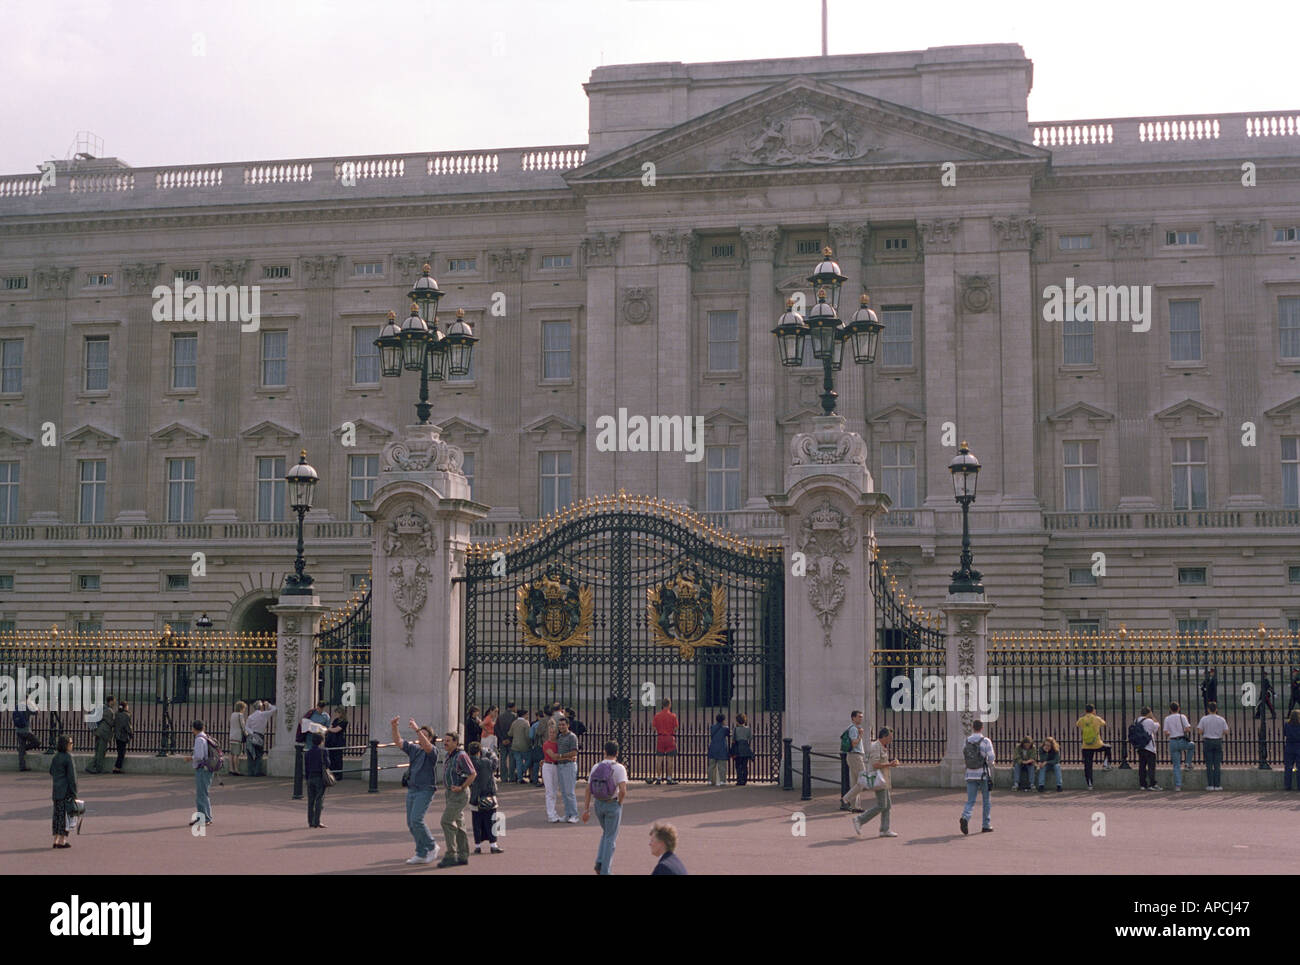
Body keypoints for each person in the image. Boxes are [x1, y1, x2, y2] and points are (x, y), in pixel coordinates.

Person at [391, 716, 440, 865]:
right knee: (411, 823)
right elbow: (399, 742)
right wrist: (394, 727)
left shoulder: (433, 751)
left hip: (426, 789)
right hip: (412, 789)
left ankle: (432, 846)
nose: (421, 737)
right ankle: (421, 852)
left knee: (416, 820)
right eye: (420, 734)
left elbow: (426, 746)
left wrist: (417, 729)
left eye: (425, 735)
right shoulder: (414, 749)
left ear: (431, 738)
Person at [582, 740, 628, 874]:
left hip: (598, 804)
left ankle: (600, 861)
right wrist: (619, 802)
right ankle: (605, 870)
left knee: (606, 833)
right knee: (611, 838)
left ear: (604, 751)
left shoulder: (596, 766)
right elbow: (623, 790)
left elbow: (588, 789)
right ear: (617, 753)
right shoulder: (619, 768)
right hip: (612, 803)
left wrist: (586, 809)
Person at [850, 726, 899, 838]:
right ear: (884, 736)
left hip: (883, 779)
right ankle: (859, 819)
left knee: (887, 805)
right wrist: (890, 764)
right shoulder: (876, 746)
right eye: (890, 737)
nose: (891, 740)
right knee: (882, 805)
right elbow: (875, 764)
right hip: (878, 779)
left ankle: (884, 829)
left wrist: (890, 764)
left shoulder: (882, 746)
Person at [438, 731, 476, 868]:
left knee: (446, 821)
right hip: (450, 793)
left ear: (455, 742)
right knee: (459, 824)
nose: (445, 743)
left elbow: (473, 774)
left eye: (448, 740)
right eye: (444, 740)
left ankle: (451, 854)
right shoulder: (449, 755)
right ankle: (463, 854)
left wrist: (461, 787)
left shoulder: (461, 756)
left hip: (459, 794)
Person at [959, 718, 994, 835]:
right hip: (983, 774)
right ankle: (986, 824)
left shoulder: (967, 740)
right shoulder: (986, 741)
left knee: (971, 800)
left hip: (970, 773)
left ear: (973, 728)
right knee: (986, 800)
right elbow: (991, 758)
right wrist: (990, 764)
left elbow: (964, 755)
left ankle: (965, 816)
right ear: (982, 728)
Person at [467, 740, 503, 854]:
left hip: (475, 797)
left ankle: (477, 846)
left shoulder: (468, 763)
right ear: (479, 751)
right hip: (488, 796)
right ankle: (493, 845)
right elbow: (495, 763)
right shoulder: (486, 762)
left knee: (476, 822)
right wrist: (490, 752)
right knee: (492, 821)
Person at [1075, 703, 1112, 790]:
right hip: (1097, 744)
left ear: (1085, 711)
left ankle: (1089, 784)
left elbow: (1077, 724)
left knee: (1088, 765)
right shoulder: (1096, 719)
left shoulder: (1082, 719)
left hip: (1086, 746)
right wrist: (1094, 716)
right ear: (1093, 711)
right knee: (1108, 747)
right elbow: (1104, 723)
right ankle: (1106, 764)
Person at [185, 720, 215, 827]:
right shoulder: (206, 737)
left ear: (194, 729)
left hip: (202, 769)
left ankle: (204, 818)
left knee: (201, 795)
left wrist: (190, 758)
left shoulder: (199, 740)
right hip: (208, 769)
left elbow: (199, 756)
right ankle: (205, 817)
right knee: (203, 794)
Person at [50, 734, 77, 849]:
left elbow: (51, 771)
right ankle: (62, 840)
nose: (72, 745)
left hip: (56, 790)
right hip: (66, 791)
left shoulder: (56, 757)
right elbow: (72, 778)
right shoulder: (68, 757)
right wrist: (74, 793)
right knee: (65, 817)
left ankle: (55, 839)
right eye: (70, 743)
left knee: (57, 815)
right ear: (65, 745)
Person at [839, 709, 869, 811]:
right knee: (863, 781)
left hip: (853, 756)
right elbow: (854, 743)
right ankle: (845, 799)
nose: (861, 718)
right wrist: (860, 735)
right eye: (859, 716)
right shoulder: (854, 729)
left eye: (861, 716)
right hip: (855, 756)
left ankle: (855, 806)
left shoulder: (854, 728)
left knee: (855, 782)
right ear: (853, 718)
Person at [1162, 701, 1195, 791]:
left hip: (1173, 741)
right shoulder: (1182, 716)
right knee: (1192, 746)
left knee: (1176, 765)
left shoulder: (1167, 718)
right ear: (1178, 708)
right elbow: (1188, 729)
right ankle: (1187, 763)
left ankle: (1178, 786)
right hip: (1181, 740)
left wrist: (1171, 732)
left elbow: (1166, 732)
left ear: (1170, 709)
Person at [1196, 700, 1228, 791]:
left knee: (1209, 764)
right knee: (1217, 764)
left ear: (1208, 709)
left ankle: (1210, 784)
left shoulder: (1204, 719)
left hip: (1208, 741)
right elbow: (1226, 731)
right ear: (1216, 709)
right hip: (1218, 741)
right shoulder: (1221, 719)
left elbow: (1200, 731)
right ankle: (1217, 785)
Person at [555, 715, 581, 823]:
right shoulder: (560, 737)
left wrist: (561, 756)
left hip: (569, 765)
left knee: (570, 792)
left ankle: (574, 815)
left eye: (563, 725)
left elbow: (574, 752)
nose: (561, 726)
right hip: (560, 765)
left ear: (568, 725)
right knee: (564, 792)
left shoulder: (572, 737)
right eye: (560, 725)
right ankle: (567, 814)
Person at [650, 698, 678, 785]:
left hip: (660, 738)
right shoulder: (673, 716)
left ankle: (659, 778)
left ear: (662, 705)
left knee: (659, 759)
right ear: (669, 705)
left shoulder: (657, 715)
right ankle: (669, 778)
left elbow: (654, 728)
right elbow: (676, 728)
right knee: (670, 760)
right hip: (670, 738)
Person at [86, 695, 117, 773]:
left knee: (98, 751)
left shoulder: (102, 708)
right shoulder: (109, 711)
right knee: (101, 752)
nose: (115, 702)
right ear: (110, 701)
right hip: (104, 733)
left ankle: (97, 768)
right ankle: (92, 767)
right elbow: (112, 723)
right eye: (114, 701)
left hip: (98, 732)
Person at [304, 733, 329, 828]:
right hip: (319, 777)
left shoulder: (308, 752)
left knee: (310, 800)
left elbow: (306, 767)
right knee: (319, 799)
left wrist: (307, 778)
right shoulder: (324, 751)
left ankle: (310, 821)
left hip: (310, 776)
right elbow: (327, 764)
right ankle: (317, 821)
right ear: (321, 741)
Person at [244, 700, 275, 776]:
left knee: (250, 754)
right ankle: (257, 771)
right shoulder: (263, 714)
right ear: (261, 707)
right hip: (260, 735)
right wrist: (269, 704)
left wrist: (252, 733)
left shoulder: (250, 716)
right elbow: (274, 709)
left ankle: (250, 772)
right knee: (259, 754)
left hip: (251, 735)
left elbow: (246, 727)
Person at [1134, 706, 1161, 790]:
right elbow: (1157, 726)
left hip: (1140, 746)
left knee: (1142, 766)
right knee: (1151, 767)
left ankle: (1142, 784)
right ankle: (1152, 784)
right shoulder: (1149, 721)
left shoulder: (1136, 720)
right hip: (1149, 747)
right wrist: (1152, 717)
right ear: (1149, 713)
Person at [540, 718, 561, 820]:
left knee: (554, 790)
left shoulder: (558, 743)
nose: (551, 734)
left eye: (553, 732)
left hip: (556, 766)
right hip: (548, 766)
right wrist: (566, 756)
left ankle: (553, 811)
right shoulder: (546, 744)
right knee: (549, 791)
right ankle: (550, 814)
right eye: (550, 732)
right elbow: (553, 756)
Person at [15, 697, 41, 771]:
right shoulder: (27, 707)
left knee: (21, 747)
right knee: (37, 742)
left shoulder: (17, 706)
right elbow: (37, 712)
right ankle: (22, 749)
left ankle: (22, 767)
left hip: (18, 730)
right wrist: (33, 704)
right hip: (26, 731)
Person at [508, 708, 532, 784]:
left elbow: (510, 733)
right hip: (524, 745)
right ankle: (521, 772)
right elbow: (528, 735)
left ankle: (519, 777)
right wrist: (530, 744)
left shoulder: (514, 722)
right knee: (528, 760)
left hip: (515, 745)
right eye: (527, 714)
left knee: (518, 762)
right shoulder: (526, 723)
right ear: (524, 715)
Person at [325, 707, 348, 781]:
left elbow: (336, 730)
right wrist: (329, 729)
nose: (336, 714)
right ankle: (332, 774)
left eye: (337, 713)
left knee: (338, 758)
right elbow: (331, 727)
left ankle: (338, 775)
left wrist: (329, 729)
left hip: (338, 741)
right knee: (331, 758)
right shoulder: (335, 720)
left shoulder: (344, 721)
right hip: (331, 741)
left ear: (341, 713)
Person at [707, 713, 730, 786]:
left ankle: (710, 780)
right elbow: (728, 734)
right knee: (722, 766)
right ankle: (722, 781)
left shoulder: (712, 727)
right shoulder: (725, 728)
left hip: (713, 748)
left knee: (711, 766)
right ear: (723, 720)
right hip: (722, 748)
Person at [496, 702, 517, 782]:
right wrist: (509, 739)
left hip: (502, 740)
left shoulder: (500, 716)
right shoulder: (514, 716)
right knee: (511, 759)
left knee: (503, 759)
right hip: (511, 740)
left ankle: (503, 777)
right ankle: (511, 777)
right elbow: (515, 729)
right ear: (513, 707)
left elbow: (496, 729)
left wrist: (502, 739)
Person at [731, 713, 754, 786]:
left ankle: (739, 780)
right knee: (745, 765)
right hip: (745, 748)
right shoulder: (748, 729)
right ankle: (744, 780)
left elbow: (733, 739)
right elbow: (750, 738)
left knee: (738, 765)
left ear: (737, 721)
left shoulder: (735, 729)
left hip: (738, 748)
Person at [112, 701, 133, 773]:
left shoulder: (117, 714)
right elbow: (128, 726)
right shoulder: (126, 715)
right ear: (125, 707)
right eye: (127, 706)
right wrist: (131, 733)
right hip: (123, 736)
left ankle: (117, 768)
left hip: (117, 736)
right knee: (122, 753)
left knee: (119, 752)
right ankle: (117, 768)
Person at [228, 701, 248, 776]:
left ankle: (231, 769)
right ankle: (236, 770)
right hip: (237, 736)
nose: (244, 710)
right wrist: (246, 733)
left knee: (231, 753)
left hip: (232, 735)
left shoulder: (232, 714)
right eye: (244, 708)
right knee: (236, 754)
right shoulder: (240, 715)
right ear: (241, 708)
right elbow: (243, 726)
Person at [528, 709, 548, 786]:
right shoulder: (548, 723)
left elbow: (531, 736)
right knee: (545, 763)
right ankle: (544, 779)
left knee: (536, 763)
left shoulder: (535, 725)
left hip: (538, 745)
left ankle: (535, 779)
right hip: (546, 745)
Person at [1283, 709, 1300, 791]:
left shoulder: (1287, 724)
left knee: (1288, 768)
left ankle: (1287, 786)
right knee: (1299, 768)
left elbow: (1285, 734)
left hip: (1289, 747)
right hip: (1299, 747)